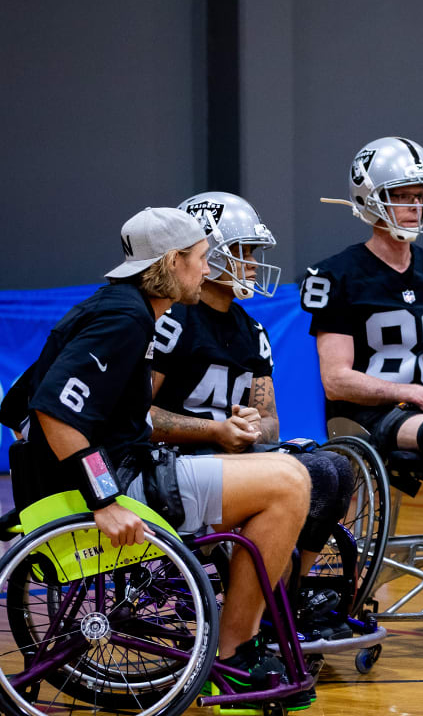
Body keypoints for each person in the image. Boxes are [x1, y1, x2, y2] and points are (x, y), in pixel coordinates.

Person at [0, 207, 312, 701]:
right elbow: (52, 411)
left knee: (288, 467)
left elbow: (15, 402)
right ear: (172, 261)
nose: (207, 268)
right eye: (201, 258)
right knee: (290, 484)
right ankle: (234, 654)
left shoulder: (122, 308)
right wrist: (104, 501)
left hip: (127, 467)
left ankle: (241, 629)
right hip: (115, 483)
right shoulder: (123, 318)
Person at [301, 136, 423, 608]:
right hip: (365, 414)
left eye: (419, 196)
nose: (414, 206)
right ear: (370, 200)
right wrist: (418, 394)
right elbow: (336, 379)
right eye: (401, 196)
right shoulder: (337, 275)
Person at [151, 192, 355, 612]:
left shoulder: (252, 330)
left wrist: (250, 427)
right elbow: (137, 414)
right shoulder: (171, 321)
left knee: (335, 468)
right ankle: (261, 604)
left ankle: (288, 594)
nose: (253, 264)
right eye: (242, 251)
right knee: (315, 471)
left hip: (229, 457)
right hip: (174, 461)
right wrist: (214, 430)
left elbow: (271, 422)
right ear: (207, 254)